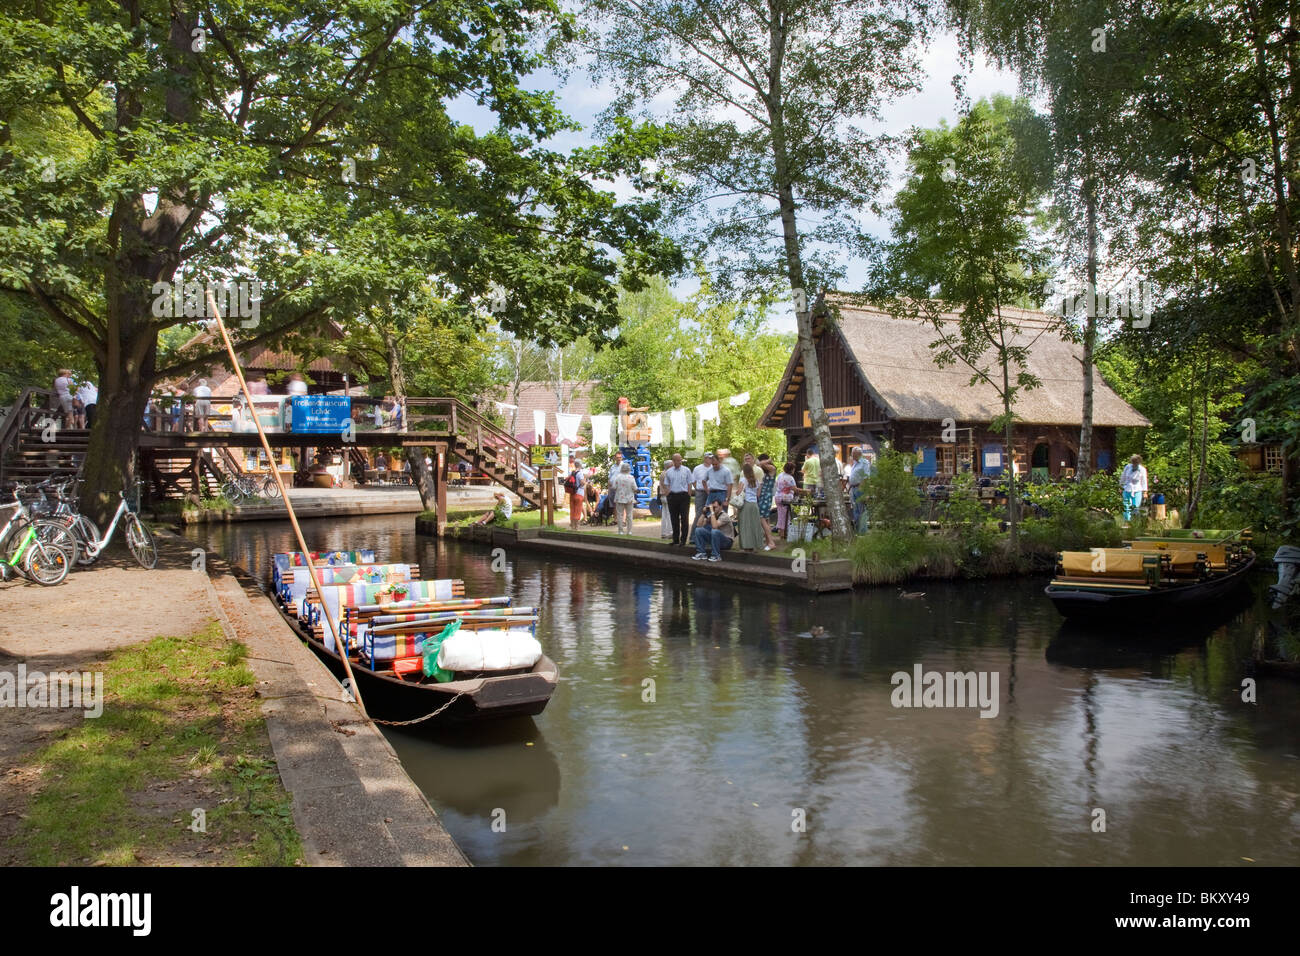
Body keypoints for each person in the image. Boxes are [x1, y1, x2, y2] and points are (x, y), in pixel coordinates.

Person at [662, 453, 693, 547]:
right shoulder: (669, 471)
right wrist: (668, 494)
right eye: (676, 460)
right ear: (673, 461)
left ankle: (683, 540)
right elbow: (666, 484)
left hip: (683, 496)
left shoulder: (686, 470)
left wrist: (689, 494)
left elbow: (689, 483)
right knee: (674, 519)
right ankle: (675, 539)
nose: (678, 462)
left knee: (684, 518)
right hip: (672, 496)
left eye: (679, 460)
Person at [736, 462, 764, 551]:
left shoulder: (743, 480)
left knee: (745, 526)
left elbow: (739, 493)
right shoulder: (756, 481)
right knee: (754, 526)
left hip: (746, 504)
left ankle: (746, 546)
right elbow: (758, 494)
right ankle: (755, 545)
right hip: (754, 505)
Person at [847, 447, 873, 531]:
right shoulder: (856, 463)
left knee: (861, 510)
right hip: (854, 488)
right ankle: (857, 529)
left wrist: (865, 492)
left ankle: (862, 531)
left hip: (860, 488)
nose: (851, 455)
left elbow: (866, 478)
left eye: (853, 454)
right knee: (855, 510)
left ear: (858, 454)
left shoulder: (864, 463)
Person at [756, 454, 778, 549]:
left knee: (762, 518)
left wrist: (768, 460)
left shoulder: (772, 468)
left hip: (766, 497)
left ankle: (771, 542)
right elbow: (758, 464)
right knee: (766, 520)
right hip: (761, 496)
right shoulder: (762, 469)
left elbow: (758, 463)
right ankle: (769, 541)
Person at [611, 461, 638, 534]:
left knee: (620, 515)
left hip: (619, 498)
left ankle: (620, 531)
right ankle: (629, 531)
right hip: (629, 498)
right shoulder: (631, 477)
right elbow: (635, 488)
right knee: (629, 515)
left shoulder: (617, 477)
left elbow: (614, 487)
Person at [1120, 454, 1148, 521]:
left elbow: (1144, 481)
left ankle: (1134, 521)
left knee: (1135, 507)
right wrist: (1120, 485)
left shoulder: (1142, 469)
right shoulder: (1127, 467)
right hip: (1127, 488)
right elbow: (1123, 477)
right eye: (1133, 462)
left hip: (1137, 490)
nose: (1134, 463)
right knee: (1126, 506)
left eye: (1136, 462)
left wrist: (1145, 492)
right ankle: (1127, 521)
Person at [775, 460, 797, 537]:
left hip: (777, 496)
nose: (794, 470)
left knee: (781, 515)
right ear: (791, 469)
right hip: (785, 498)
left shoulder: (780, 475)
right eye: (793, 469)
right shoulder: (790, 478)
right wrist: (806, 491)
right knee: (785, 516)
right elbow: (795, 489)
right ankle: (783, 533)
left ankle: (781, 532)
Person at [691, 453, 713, 527]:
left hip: (711, 492)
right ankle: (693, 535)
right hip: (700, 492)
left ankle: (707, 533)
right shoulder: (697, 468)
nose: (710, 460)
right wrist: (697, 488)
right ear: (705, 458)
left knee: (711, 513)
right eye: (709, 458)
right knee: (699, 513)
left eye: (711, 458)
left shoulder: (714, 468)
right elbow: (693, 480)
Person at [564, 460, 586, 530]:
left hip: (572, 493)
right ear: (580, 465)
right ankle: (576, 527)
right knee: (578, 510)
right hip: (579, 494)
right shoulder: (580, 473)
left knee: (572, 510)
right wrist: (585, 481)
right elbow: (582, 483)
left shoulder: (572, 472)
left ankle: (572, 526)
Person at [658, 467, 672, 539]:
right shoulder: (667, 474)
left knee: (664, 515)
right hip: (667, 495)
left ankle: (663, 532)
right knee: (669, 514)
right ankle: (670, 532)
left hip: (662, 496)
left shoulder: (662, 473)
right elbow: (667, 486)